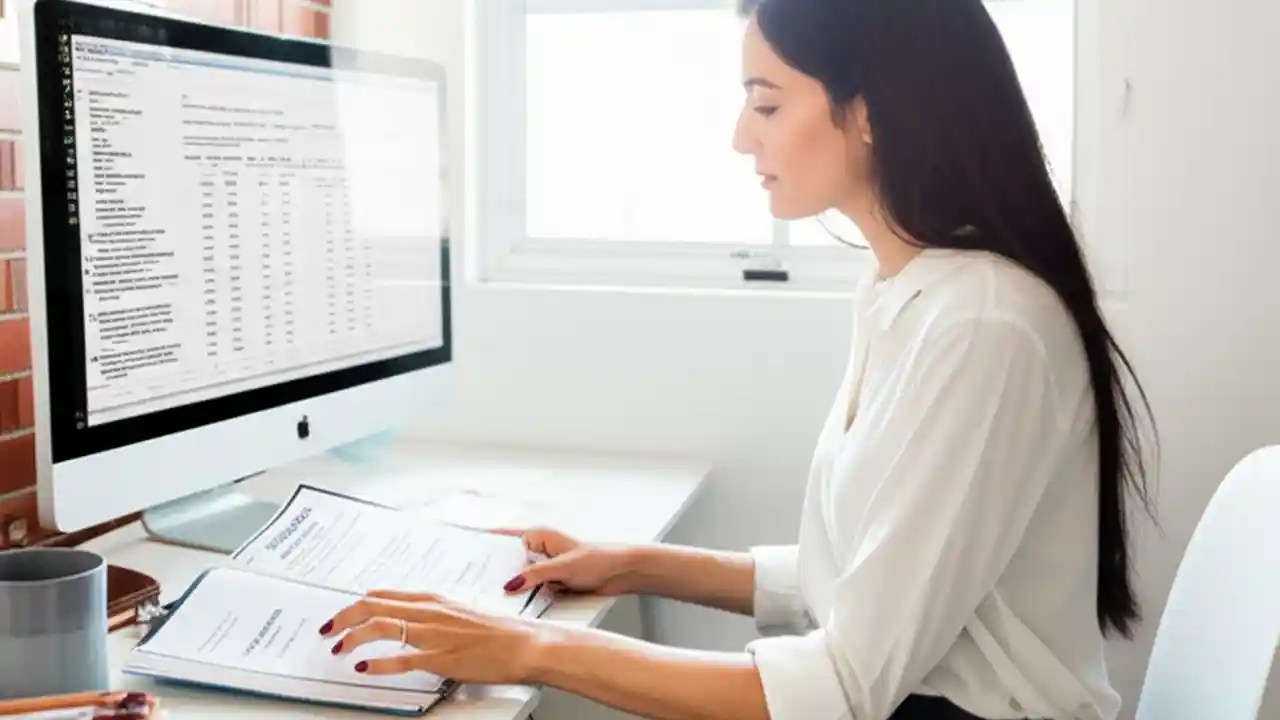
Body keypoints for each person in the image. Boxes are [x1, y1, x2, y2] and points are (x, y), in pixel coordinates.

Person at [317, 0, 1157, 718]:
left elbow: (845, 683)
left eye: (766, 105)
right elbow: (868, 576)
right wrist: (634, 564)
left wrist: (529, 648)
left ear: (871, 113)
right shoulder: (910, 290)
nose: (738, 138)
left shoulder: (984, 328)